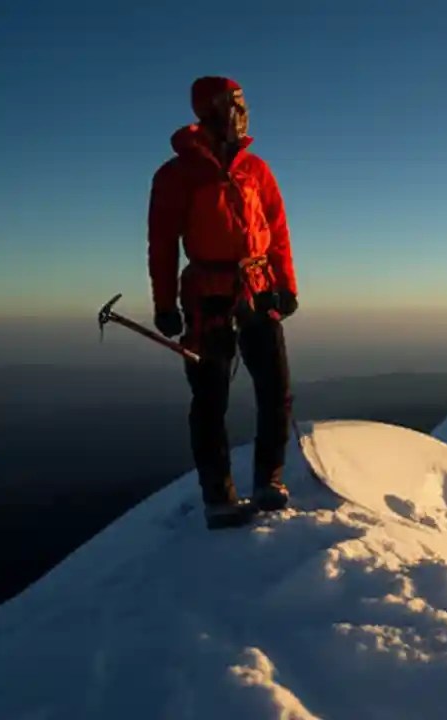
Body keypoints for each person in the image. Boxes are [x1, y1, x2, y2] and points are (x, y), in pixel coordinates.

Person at [147, 76, 299, 529]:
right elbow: (162, 244)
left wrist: (286, 285)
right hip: (207, 296)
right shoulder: (177, 175)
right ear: (209, 109)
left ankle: (269, 481)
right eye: (234, 104)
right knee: (211, 398)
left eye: (241, 103)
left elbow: (277, 231)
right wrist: (165, 304)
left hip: (257, 288)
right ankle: (219, 497)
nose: (242, 112)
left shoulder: (256, 170)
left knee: (275, 388)